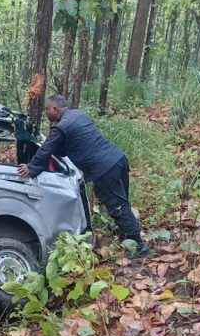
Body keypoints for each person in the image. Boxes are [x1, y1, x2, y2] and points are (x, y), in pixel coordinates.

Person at [17, 94, 150, 258]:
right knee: (121, 203)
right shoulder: (80, 115)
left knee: (118, 206)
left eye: (47, 109)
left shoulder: (61, 127)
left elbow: (46, 150)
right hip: (118, 159)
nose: (45, 112)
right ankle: (126, 235)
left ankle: (138, 245)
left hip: (104, 168)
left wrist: (31, 168)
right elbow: (71, 144)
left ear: (55, 109)